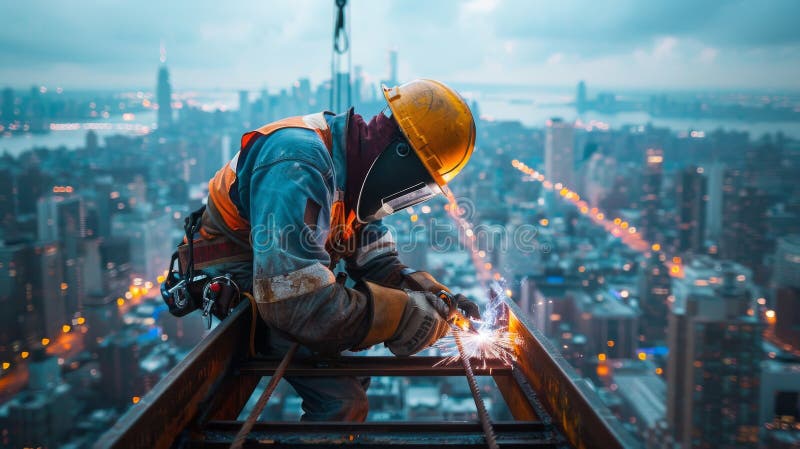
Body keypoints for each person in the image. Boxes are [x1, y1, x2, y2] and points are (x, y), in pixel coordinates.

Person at [171, 79, 479, 421]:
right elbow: (294, 301)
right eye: (415, 188)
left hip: (277, 277)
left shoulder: (353, 173)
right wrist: (398, 315)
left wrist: (426, 292)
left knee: (355, 370)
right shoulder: (298, 161)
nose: (406, 201)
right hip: (246, 277)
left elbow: (376, 259)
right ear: (400, 156)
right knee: (342, 402)